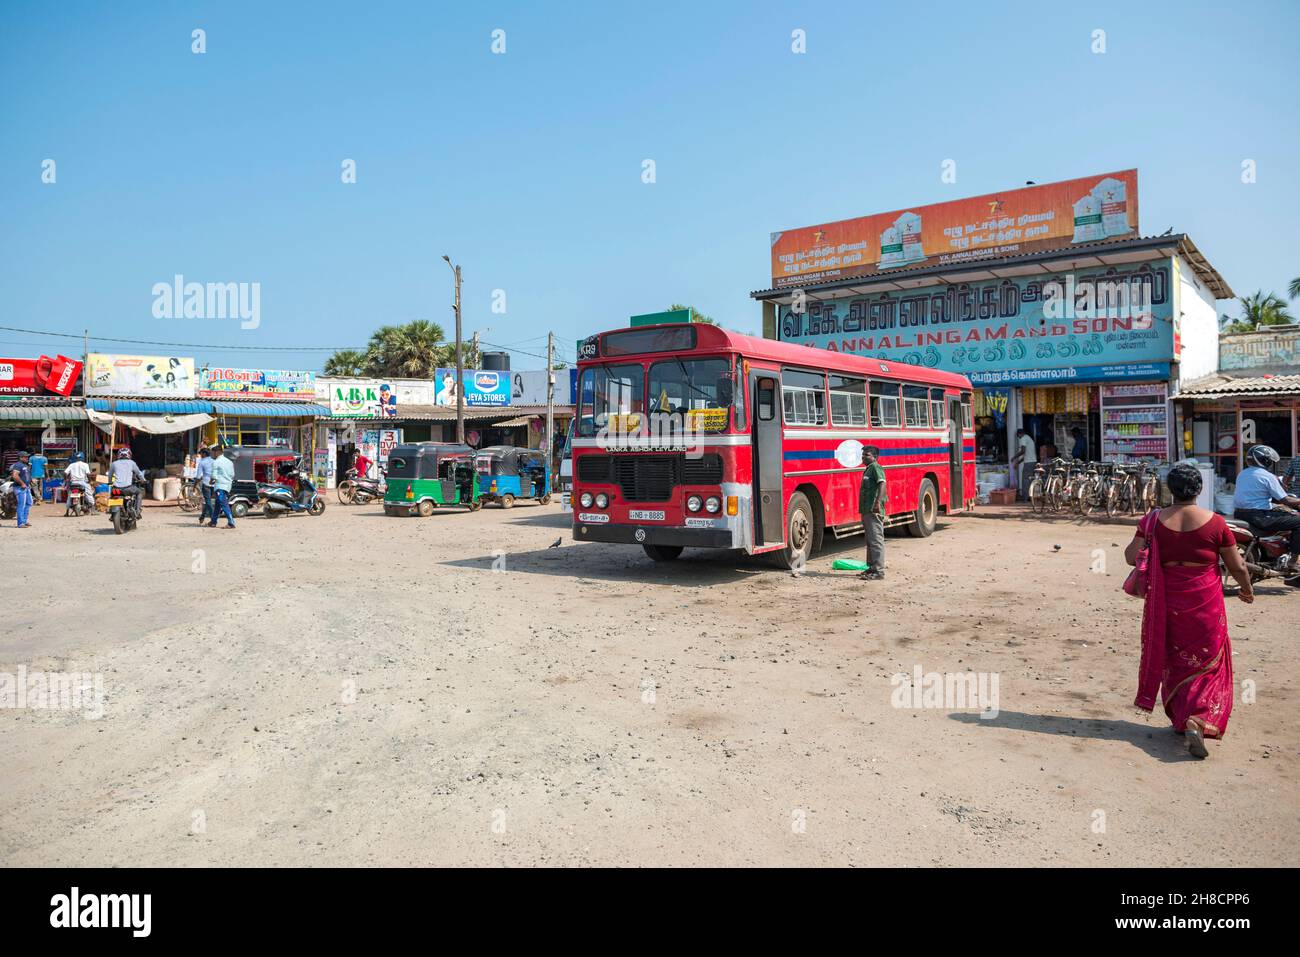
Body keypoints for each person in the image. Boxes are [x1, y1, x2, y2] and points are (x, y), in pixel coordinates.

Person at [1126, 463, 1252, 759]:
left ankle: (1184, 718)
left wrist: (1148, 541)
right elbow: (1238, 566)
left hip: (1167, 602)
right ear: (1199, 489)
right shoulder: (1216, 523)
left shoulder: (1153, 520)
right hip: (1205, 600)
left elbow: (1131, 557)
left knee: (1175, 657)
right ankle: (1199, 717)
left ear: (1171, 490)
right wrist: (1247, 590)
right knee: (1209, 659)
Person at [1232, 444, 1300, 575]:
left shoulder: (1242, 473)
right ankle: (1293, 561)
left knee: (1284, 514)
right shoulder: (1267, 476)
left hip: (1241, 513)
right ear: (1265, 461)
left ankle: (1275, 552)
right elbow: (1286, 500)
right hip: (1259, 516)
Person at [858, 445, 886, 581]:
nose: (863, 458)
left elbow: (882, 484)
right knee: (870, 540)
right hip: (866, 509)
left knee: (876, 540)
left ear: (875, 457)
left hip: (873, 510)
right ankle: (872, 568)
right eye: (863, 455)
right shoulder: (868, 469)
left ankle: (879, 571)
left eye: (867, 455)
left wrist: (877, 504)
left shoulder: (876, 467)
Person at [107, 448, 146, 520]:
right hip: (128, 489)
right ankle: (137, 512)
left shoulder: (114, 463)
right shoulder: (132, 463)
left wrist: (109, 482)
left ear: (119, 455)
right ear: (129, 455)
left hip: (116, 489)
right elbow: (139, 473)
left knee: (112, 496)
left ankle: (112, 514)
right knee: (139, 492)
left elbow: (110, 475)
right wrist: (143, 480)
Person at [209, 446, 236, 528]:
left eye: (212, 453)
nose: (211, 455)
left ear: (216, 452)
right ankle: (213, 522)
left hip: (220, 486)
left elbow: (214, 476)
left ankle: (231, 523)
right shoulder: (229, 462)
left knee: (223, 503)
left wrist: (211, 481)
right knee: (218, 504)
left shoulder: (216, 462)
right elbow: (232, 475)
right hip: (228, 486)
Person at [1011, 428, 1036, 500]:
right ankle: (1031, 497)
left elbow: (1023, 451)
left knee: (1025, 480)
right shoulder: (1029, 438)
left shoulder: (1023, 438)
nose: (1019, 438)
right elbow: (1026, 455)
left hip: (1028, 463)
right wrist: (1018, 462)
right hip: (1032, 462)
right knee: (1030, 480)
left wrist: (1014, 457)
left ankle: (1025, 498)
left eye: (1018, 436)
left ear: (1019, 434)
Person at [10, 451, 33, 528]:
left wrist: (29, 483)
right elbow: (15, 476)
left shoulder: (25, 465)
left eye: (27, 457)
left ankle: (24, 521)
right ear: (21, 458)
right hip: (19, 488)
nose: (27, 458)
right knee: (21, 505)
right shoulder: (17, 465)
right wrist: (22, 484)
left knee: (29, 503)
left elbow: (26, 476)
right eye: (25, 457)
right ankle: (20, 523)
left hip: (26, 487)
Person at [194, 447, 215, 525]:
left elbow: (199, 476)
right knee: (207, 501)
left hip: (206, 484)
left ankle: (213, 519)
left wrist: (194, 485)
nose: (200, 455)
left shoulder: (202, 462)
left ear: (204, 454)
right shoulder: (214, 461)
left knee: (208, 501)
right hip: (214, 484)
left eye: (201, 454)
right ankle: (202, 517)